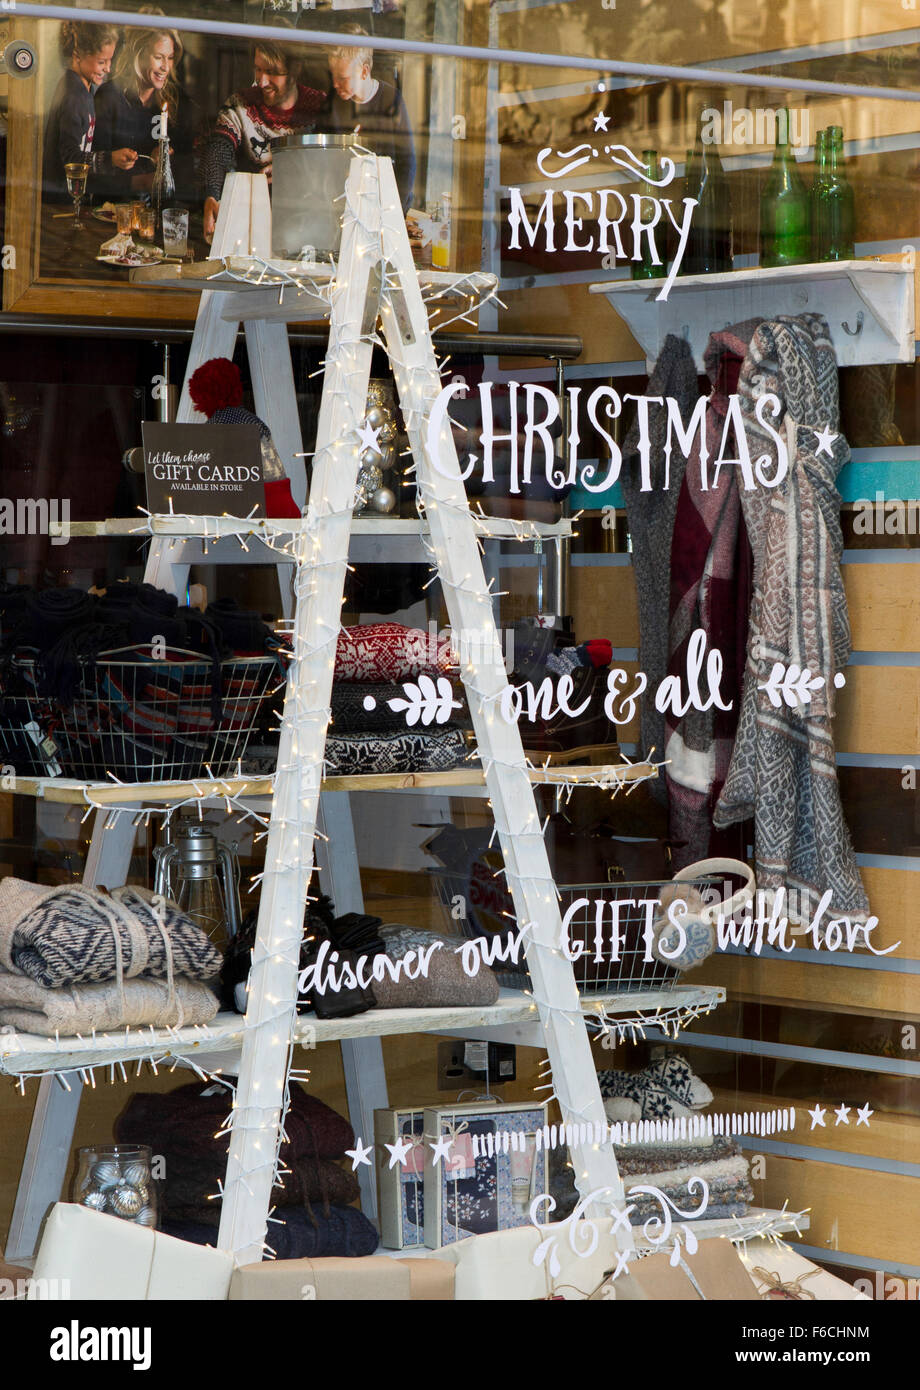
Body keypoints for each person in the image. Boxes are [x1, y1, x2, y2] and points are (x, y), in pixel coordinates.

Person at [201, 42, 326, 243]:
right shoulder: (240, 104)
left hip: (307, 227)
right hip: (250, 225)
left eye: (272, 72)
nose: (262, 81)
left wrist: (289, 168)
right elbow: (218, 152)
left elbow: (331, 169)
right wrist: (212, 195)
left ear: (295, 70)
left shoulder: (320, 107)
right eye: (258, 70)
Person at [94, 25, 200, 206]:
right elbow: (93, 171)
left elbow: (189, 171)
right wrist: (139, 182)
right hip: (112, 210)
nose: (165, 67)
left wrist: (170, 160)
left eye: (170, 58)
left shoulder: (177, 101)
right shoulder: (109, 96)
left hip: (161, 210)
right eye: (158, 57)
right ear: (139, 54)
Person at [42, 21, 138, 203]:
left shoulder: (84, 90)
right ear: (77, 55)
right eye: (102, 62)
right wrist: (110, 159)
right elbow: (70, 158)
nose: (108, 68)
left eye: (110, 61)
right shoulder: (73, 96)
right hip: (59, 201)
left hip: (69, 198)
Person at [325, 27, 415, 212]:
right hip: (345, 203)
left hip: (384, 201)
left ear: (364, 72)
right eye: (332, 76)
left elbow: (407, 162)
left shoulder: (391, 100)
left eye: (342, 78)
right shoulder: (333, 102)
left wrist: (395, 209)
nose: (335, 84)